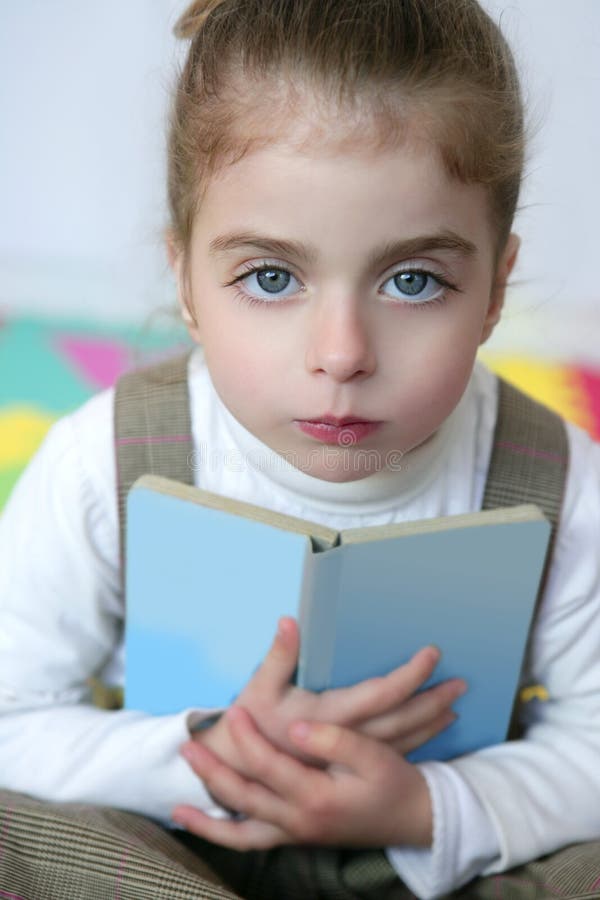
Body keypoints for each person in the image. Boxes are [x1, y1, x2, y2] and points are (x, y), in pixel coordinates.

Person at [1, 0, 599, 898]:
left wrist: (428, 809)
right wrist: (204, 752)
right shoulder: (105, 457)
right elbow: (10, 719)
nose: (342, 353)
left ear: (494, 288)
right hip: (174, 850)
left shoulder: (560, 475)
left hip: (446, 862)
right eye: (271, 277)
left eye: (413, 280)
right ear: (187, 281)